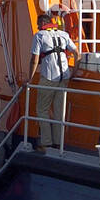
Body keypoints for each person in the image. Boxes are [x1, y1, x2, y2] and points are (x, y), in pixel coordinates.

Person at [29, 11, 79, 152]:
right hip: (64, 77)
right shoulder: (64, 35)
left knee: (42, 110)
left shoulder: (39, 36)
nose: (38, 27)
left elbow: (35, 60)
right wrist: (74, 71)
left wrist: (30, 78)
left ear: (43, 24)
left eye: (39, 25)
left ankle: (46, 143)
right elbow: (77, 53)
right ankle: (58, 143)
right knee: (59, 111)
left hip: (49, 77)